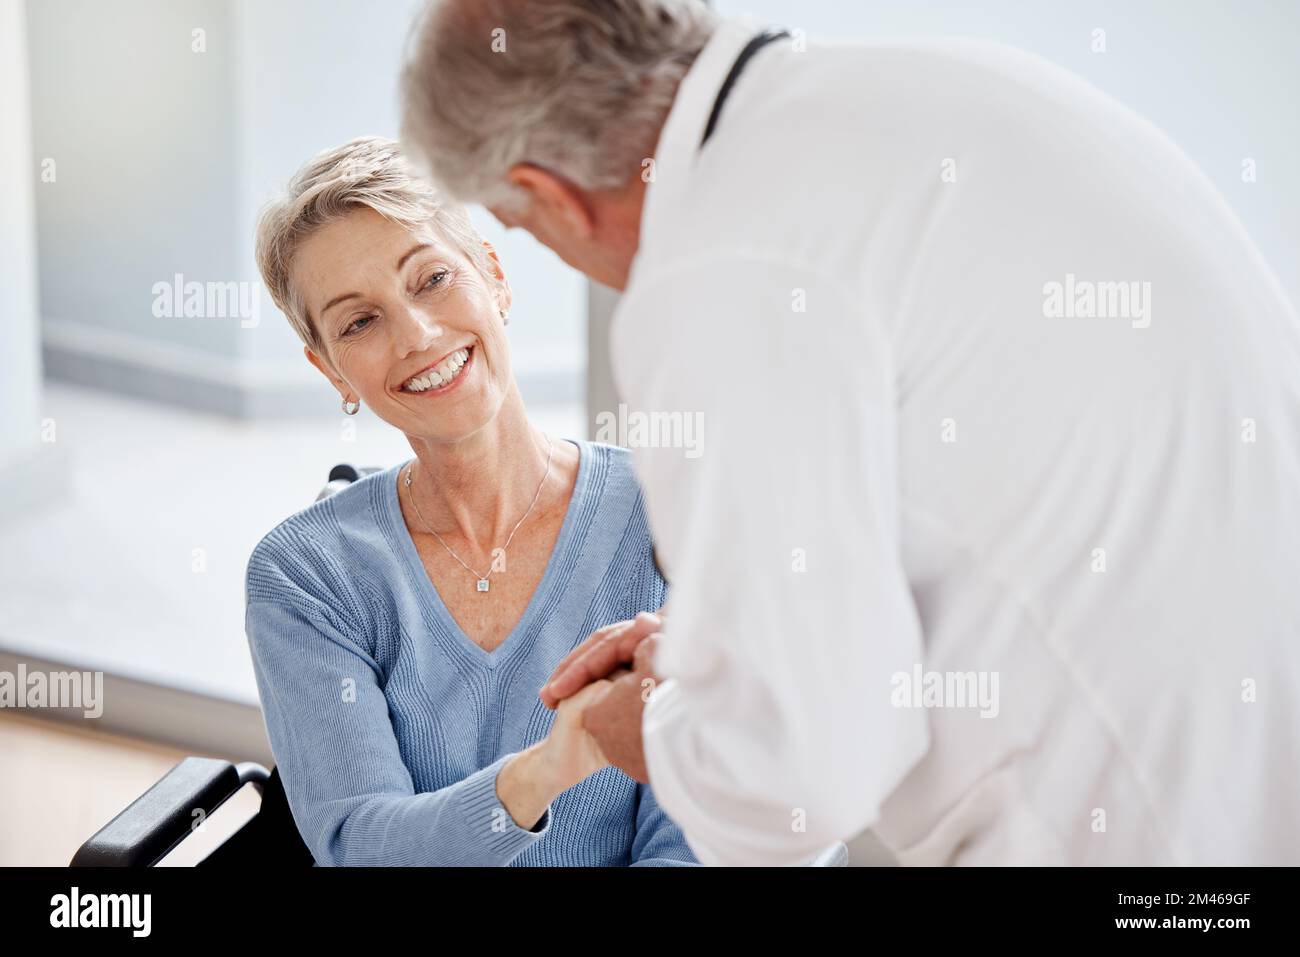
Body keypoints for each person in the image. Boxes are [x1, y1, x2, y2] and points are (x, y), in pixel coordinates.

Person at [398, 0, 1300, 865]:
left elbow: (801, 776)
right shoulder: (931, 92)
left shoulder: (718, 272)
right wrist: (732, 643)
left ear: (547, 197)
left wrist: (639, 727)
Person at [243, 135, 698, 865]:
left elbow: (696, 842)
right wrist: (543, 771)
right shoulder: (304, 574)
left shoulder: (670, 514)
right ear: (331, 370)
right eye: (359, 321)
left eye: (431, 279)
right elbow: (362, 845)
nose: (418, 335)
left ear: (493, 275)